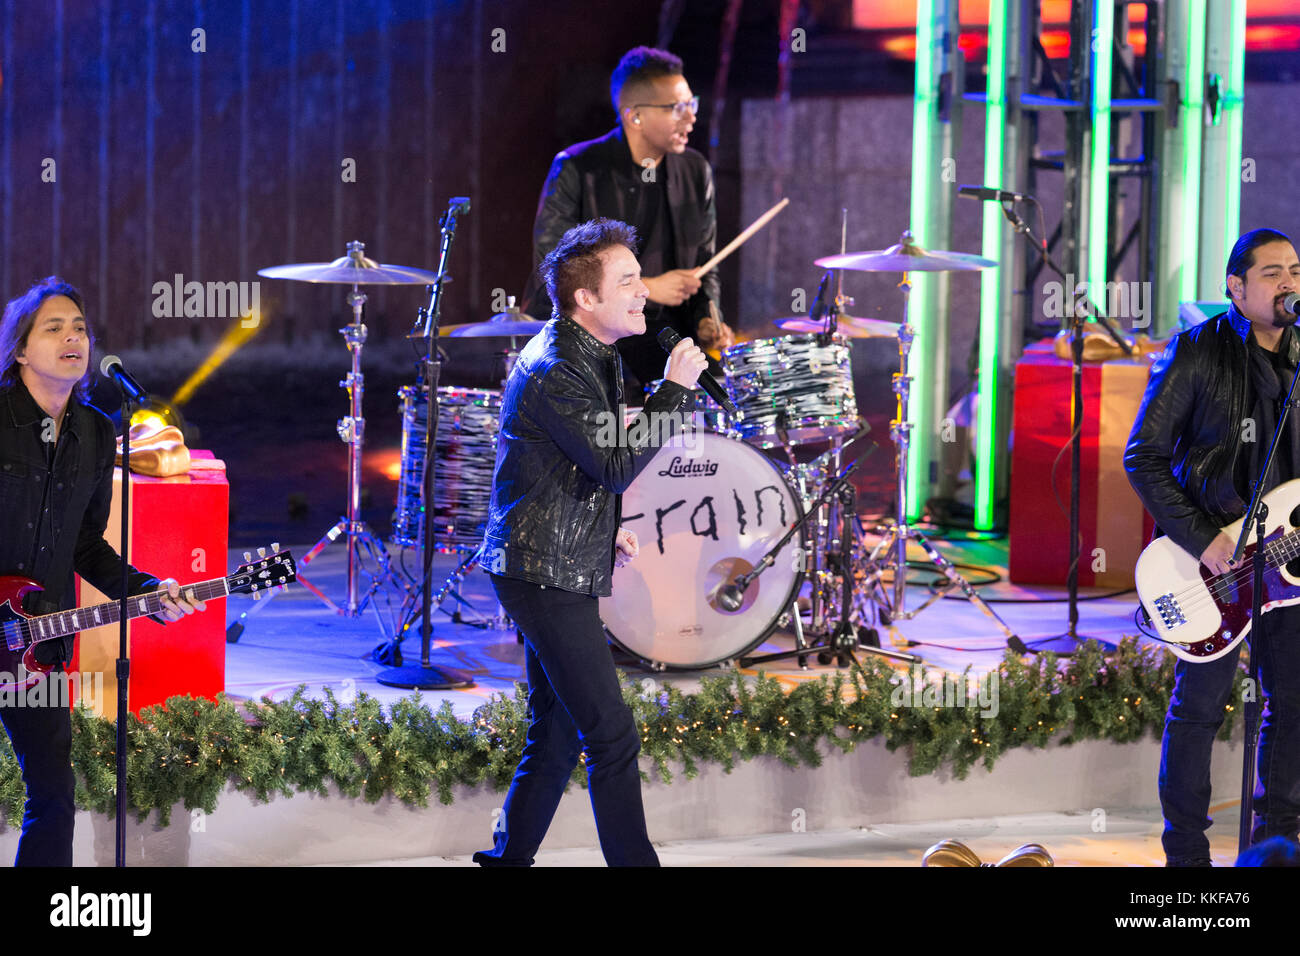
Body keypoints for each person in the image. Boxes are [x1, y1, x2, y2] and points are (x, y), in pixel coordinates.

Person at [476, 218, 708, 866]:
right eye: (628, 281)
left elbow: (575, 465)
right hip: (538, 571)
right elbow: (612, 463)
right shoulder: (557, 367)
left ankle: (505, 861)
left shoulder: (589, 352)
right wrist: (674, 392)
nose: (644, 293)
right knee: (611, 734)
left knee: (553, 735)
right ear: (586, 298)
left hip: (549, 556)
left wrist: (604, 530)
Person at [0, 276, 205, 866]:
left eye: (81, 328)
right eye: (54, 328)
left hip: (40, 645)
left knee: (54, 797)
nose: (73, 338)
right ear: (20, 349)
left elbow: (87, 545)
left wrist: (149, 589)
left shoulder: (96, 432)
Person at [1126, 228, 1300, 866]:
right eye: (1273, 272)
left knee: (1294, 702)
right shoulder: (1196, 352)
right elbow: (1142, 458)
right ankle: (1187, 859)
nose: (1289, 283)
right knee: (1199, 708)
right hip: (1211, 566)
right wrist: (1204, 541)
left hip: (1290, 563)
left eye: (1297, 271)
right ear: (1237, 286)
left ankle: (1275, 848)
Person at [523, 45, 734, 392]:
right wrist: (649, 289)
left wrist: (707, 318)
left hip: (667, 340)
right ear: (634, 116)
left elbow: (704, 266)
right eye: (676, 108)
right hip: (593, 345)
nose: (691, 117)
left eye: (691, 103)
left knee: (726, 396)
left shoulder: (695, 170)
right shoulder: (577, 168)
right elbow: (556, 272)